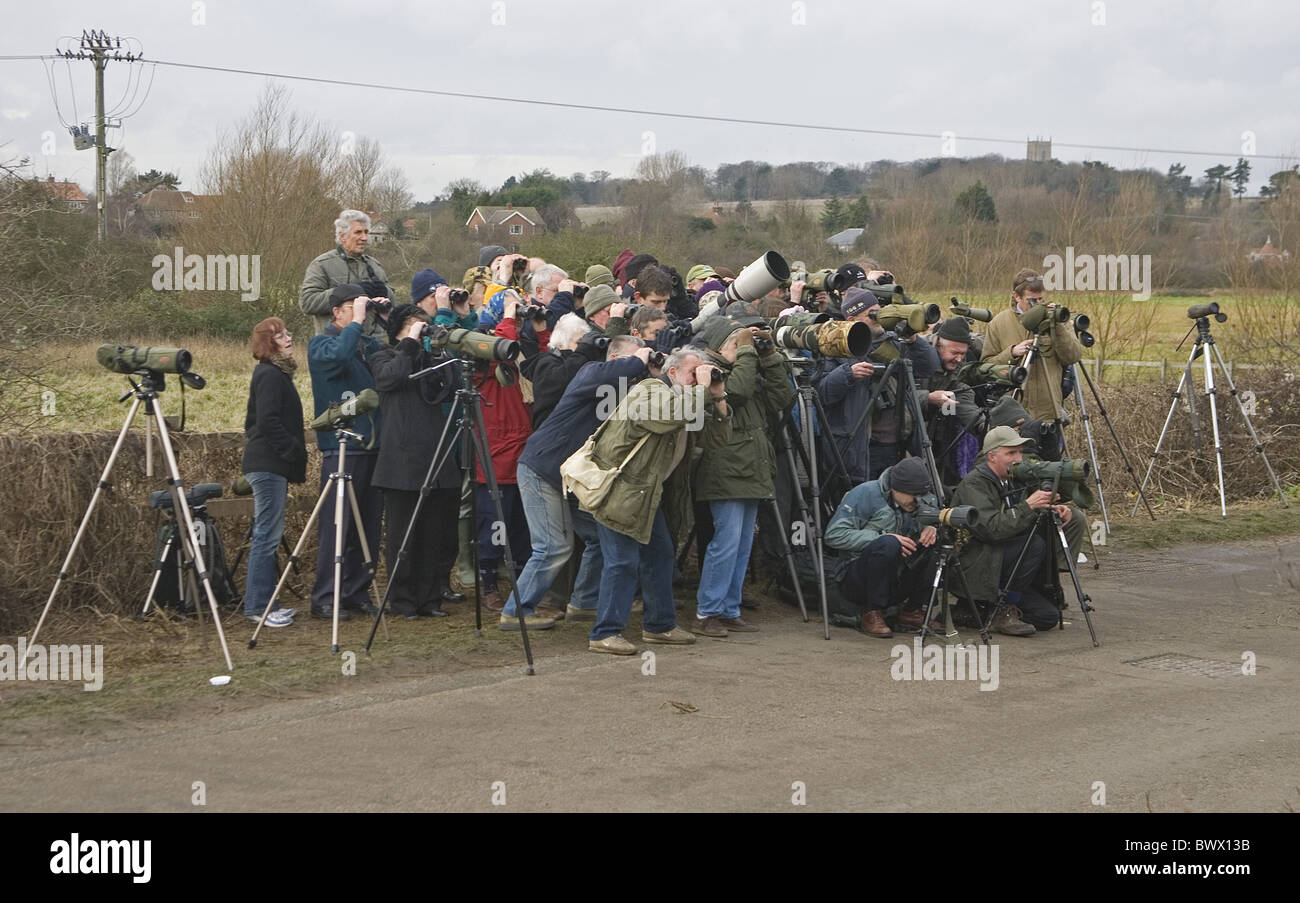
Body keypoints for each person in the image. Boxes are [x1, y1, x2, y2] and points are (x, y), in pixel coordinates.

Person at [583, 348, 732, 654]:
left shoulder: (691, 401)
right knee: (622, 562)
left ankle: (660, 626)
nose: (699, 377)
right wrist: (702, 391)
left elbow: (719, 442)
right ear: (673, 373)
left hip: (645, 494)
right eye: (694, 371)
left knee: (661, 556)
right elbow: (670, 415)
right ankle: (604, 633)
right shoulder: (649, 390)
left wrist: (717, 396)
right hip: (620, 491)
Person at [505, 335, 652, 630]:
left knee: (600, 536)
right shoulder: (590, 372)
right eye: (636, 358)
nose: (642, 364)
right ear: (616, 360)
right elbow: (611, 373)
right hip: (542, 468)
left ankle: (583, 603)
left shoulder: (623, 390)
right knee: (552, 546)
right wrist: (639, 360)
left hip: (570, 477)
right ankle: (516, 611)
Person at [691, 311, 793, 638]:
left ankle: (729, 608)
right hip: (726, 469)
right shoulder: (709, 371)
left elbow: (781, 398)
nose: (747, 347)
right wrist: (748, 350)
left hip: (750, 468)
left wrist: (770, 356)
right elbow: (737, 393)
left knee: (743, 543)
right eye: (739, 342)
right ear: (723, 345)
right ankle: (707, 612)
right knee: (726, 542)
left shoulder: (747, 368)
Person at [369, 303, 461, 619]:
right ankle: (403, 601)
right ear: (403, 326)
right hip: (402, 462)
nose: (424, 328)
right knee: (402, 537)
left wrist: (441, 351)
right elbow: (389, 380)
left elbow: (450, 391)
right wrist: (409, 342)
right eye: (417, 324)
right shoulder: (383, 355)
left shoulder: (428, 358)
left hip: (434, 458)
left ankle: (430, 598)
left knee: (433, 534)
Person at [306, 284, 385, 620]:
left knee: (367, 525)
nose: (359, 313)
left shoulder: (365, 343)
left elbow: (386, 361)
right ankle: (326, 595)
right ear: (336, 311)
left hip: (371, 446)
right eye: (353, 307)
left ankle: (356, 591)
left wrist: (384, 317)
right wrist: (356, 323)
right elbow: (339, 357)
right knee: (338, 526)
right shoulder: (320, 344)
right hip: (341, 449)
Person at [951, 425, 1075, 636]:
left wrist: (1050, 508)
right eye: (1011, 453)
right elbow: (992, 529)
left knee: (1047, 617)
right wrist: (1029, 506)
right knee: (1035, 545)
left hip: (1001, 559)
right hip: (976, 562)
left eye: (1019, 452)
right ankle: (997, 609)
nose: (1018, 458)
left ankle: (977, 612)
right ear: (992, 456)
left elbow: (1020, 517)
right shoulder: (975, 483)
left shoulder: (1013, 478)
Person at [824, 458, 945, 638]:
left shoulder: (922, 498)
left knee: (938, 544)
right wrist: (881, 537)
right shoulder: (865, 493)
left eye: (922, 497)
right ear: (897, 489)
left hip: (896, 575)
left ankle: (912, 610)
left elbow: (933, 524)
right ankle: (872, 612)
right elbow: (833, 535)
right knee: (888, 544)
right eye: (914, 497)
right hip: (857, 577)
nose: (918, 502)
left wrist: (932, 528)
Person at [240, 317, 307, 627]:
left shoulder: (279, 374)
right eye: (280, 335)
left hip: (271, 465)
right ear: (269, 343)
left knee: (268, 534)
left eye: (287, 332)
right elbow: (266, 421)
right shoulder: (269, 374)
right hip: (267, 465)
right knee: (266, 536)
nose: (288, 337)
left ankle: (268, 602)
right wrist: (292, 449)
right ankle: (258, 606)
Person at [981, 268, 1083, 428]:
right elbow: (986, 368)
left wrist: (1057, 326)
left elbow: (1073, 356)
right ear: (1016, 296)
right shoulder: (999, 324)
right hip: (1014, 416)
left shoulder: (1055, 319)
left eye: (1041, 299)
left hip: (1049, 414)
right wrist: (1012, 352)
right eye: (1032, 301)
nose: (1037, 305)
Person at [300, 210, 392, 340]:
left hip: (374, 347)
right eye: (358, 232)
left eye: (366, 232)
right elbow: (308, 302)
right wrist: (350, 291)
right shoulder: (322, 265)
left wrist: (385, 292)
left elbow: (392, 307)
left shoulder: (375, 266)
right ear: (342, 236)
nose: (364, 238)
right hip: (337, 346)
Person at [920, 316, 983, 489]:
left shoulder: (958, 366)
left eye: (962, 354)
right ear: (939, 344)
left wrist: (983, 424)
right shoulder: (918, 355)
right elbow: (900, 395)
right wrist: (928, 398)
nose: (959, 359)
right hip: (906, 438)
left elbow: (964, 401)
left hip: (939, 437)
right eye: (954, 353)